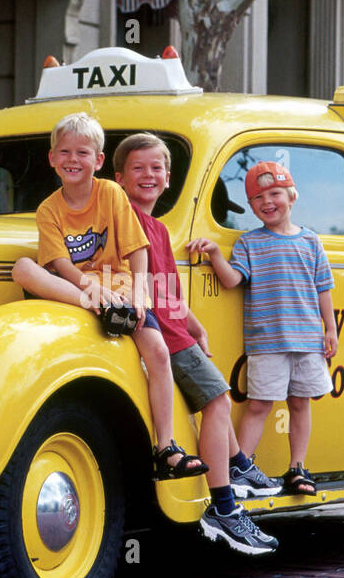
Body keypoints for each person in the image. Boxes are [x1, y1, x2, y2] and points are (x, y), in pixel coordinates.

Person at [11, 113, 206, 480]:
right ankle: (97, 307)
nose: (73, 159)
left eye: (83, 152)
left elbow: (137, 249)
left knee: (159, 352)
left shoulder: (111, 193)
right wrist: (90, 291)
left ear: (98, 161)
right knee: (23, 267)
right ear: (51, 158)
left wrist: (139, 293)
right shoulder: (48, 209)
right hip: (78, 292)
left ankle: (166, 446)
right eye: (64, 152)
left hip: (120, 289)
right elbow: (59, 262)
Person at [112, 133, 280, 555]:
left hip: (176, 330)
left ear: (168, 178)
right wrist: (178, 334)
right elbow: (143, 291)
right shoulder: (126, 221)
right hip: (163, 336)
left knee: (217, 397)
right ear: (117, 178)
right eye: (137, 168)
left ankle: (240, 468)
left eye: (156, 168)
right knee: (219, 401)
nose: (148, 175)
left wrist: (196, 326)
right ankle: (225, 506)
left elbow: (166, 291)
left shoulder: (159, 229)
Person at [187, 160, 338, 496]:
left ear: (292, 196)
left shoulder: (311, 241)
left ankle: (297, 468)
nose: (267, 202)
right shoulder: (249, 243)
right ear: (251, 206)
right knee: (259, 405)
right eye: (258, 198)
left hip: (308, 341)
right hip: (267, 341)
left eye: (275, 193)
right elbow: (231, 280)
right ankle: (239, 467)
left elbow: (323, 287)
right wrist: (214, 253)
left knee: (301, 403)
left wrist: (330, 329)